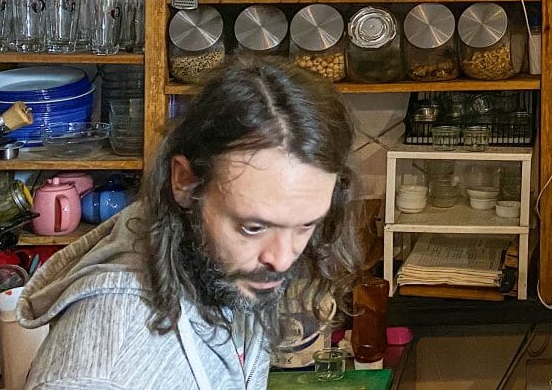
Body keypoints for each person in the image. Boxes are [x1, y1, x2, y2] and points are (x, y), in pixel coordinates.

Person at [19, 60, 360, 389]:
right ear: (184, 181)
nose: (283, 259)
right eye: (253, 228)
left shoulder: (217, 272)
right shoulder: (101, 374)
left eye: (305, 226)